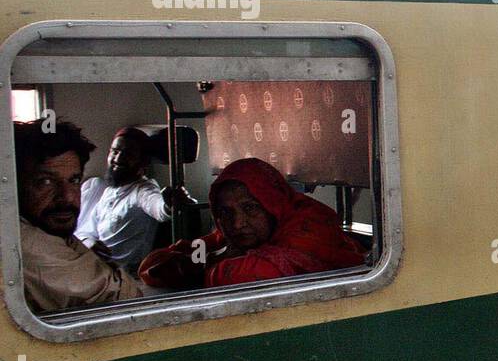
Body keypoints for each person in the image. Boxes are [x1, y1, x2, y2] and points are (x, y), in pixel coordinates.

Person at [139, 157, 365, 289]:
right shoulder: (229, 238)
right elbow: (150, 267)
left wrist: (204, 264)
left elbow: (261, 272)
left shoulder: (308, 228)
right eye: (226, 212)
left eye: (250, 208)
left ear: (271, 204)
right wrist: (209, 258)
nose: (237, 223)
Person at [14, 120, 142, 314]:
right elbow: (126, 300)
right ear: (15, 186)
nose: (67, 196)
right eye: (45, 182)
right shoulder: (24, 243)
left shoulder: (46, 227)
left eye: (74, 180)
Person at [74, 127, 191, 272]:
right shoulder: (109, 191)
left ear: (143, 162)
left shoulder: (142, 190)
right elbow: (88, 231)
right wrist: (89, 242)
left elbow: (157, 207)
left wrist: (168, 205)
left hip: (121, 276)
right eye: (115, 151)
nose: (118, 159)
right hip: (96, 267)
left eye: (128, 154)